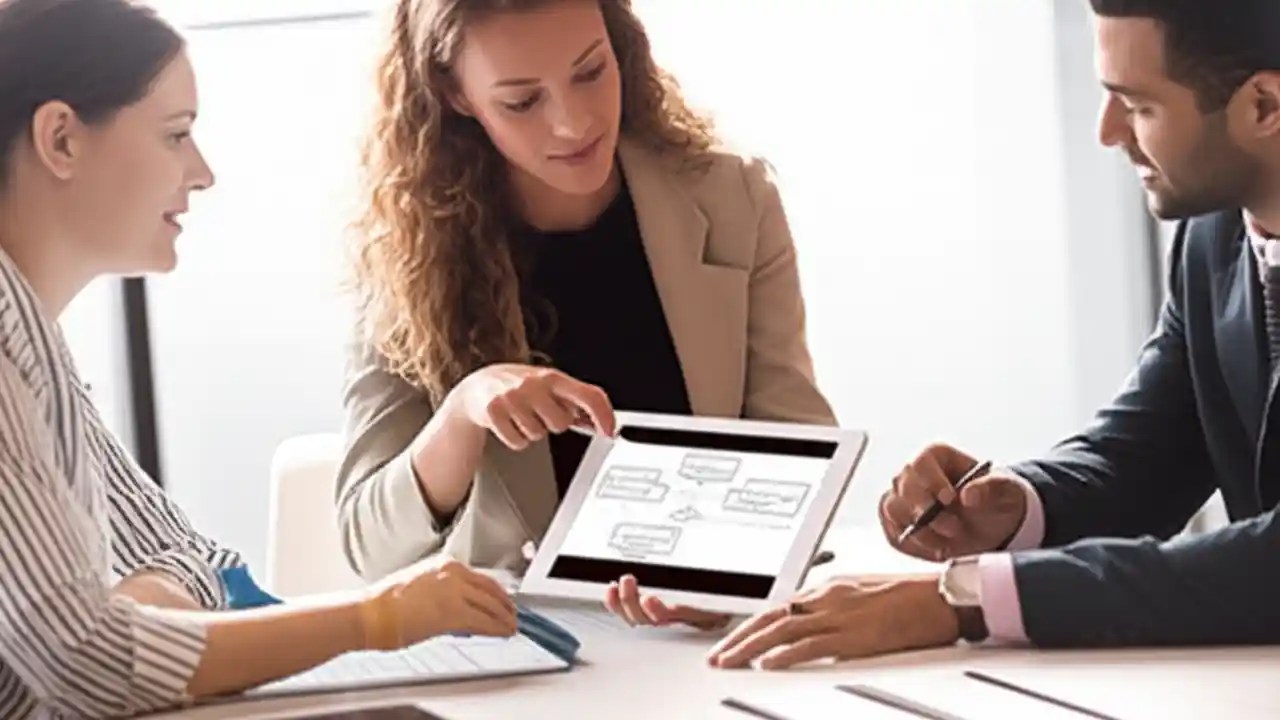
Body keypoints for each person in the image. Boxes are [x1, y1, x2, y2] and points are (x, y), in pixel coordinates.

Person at [707, 0, 1280, 671]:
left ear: (1264, 106)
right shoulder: (1211, 237)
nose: (1105, 131)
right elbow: (1151, 450)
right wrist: (1014, 507)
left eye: (1138, 105)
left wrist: (964, 602)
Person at [0, 2, 516, 717]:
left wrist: (134, 617)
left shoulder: (33, 341)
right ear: (61, 139)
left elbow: (197, 561)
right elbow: (85, 662)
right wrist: (375, 619)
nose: (202, 172)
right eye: (176, 135)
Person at [336, 0, 833, 627]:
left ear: (618, 42)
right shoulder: (407, 257)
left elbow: (799, 447)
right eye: (522, 102)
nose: (573, 123)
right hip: (522, 653)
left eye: (591, 71)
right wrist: (464, 411)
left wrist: (729, 582)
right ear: (455, 94)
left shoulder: (734, 201)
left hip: (704, 647)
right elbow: (367, 543)